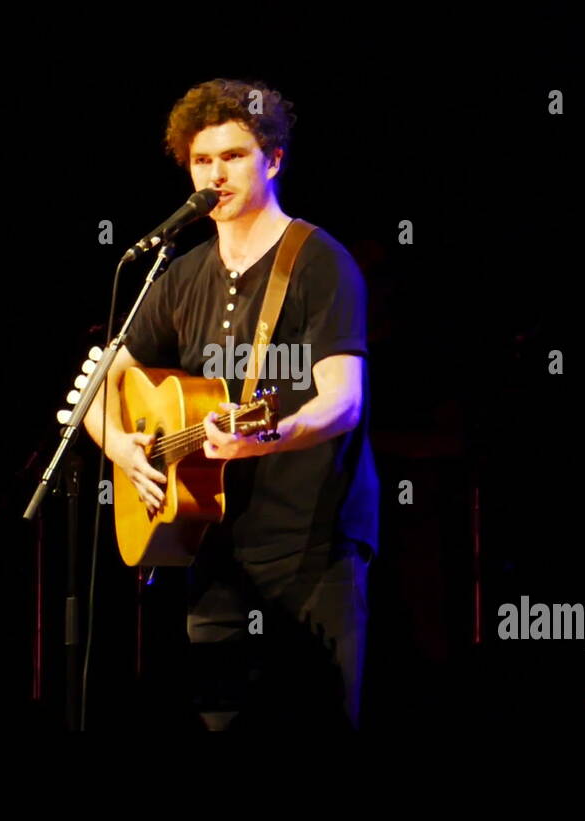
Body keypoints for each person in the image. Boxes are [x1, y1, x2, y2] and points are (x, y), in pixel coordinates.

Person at [83, 78, 378, 729]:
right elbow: (101, 381)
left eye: (233, 156)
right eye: (201, 160)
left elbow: (344, 399)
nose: (215, 173)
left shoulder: (318, 263)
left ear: (273, 160)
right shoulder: (179, 274)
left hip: (312, 550)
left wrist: (267, 436)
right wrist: (123, 446)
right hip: (215, 556)